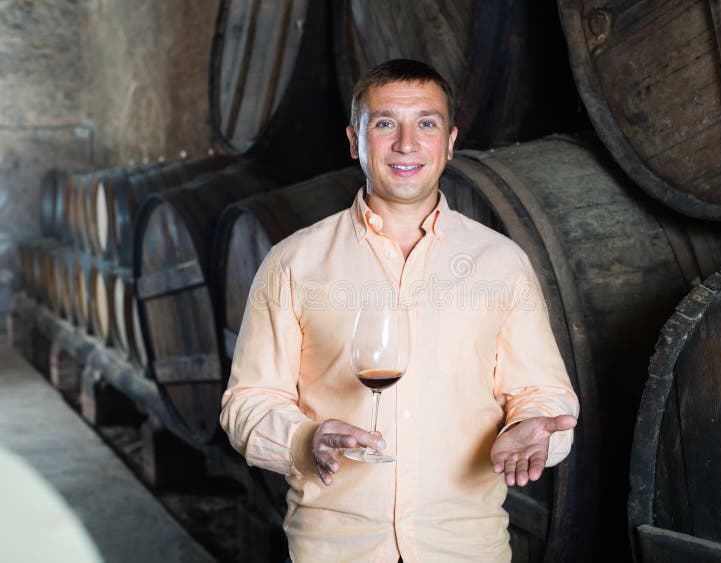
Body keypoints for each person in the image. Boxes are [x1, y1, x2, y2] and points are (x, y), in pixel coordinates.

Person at [220, 59, 579, 562]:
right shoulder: (293, 262)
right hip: (336, 550)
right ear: (355, 141)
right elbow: (247, 403)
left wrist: (532, 425)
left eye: (426, 124)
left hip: (464, 548)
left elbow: (542, 393)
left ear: (449, 142)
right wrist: (305, 440)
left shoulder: (501, 263)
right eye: (385, 123)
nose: (406, 144)